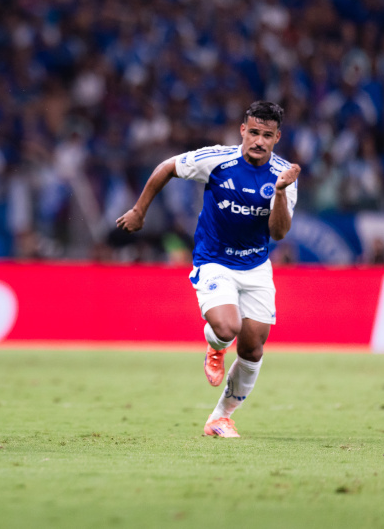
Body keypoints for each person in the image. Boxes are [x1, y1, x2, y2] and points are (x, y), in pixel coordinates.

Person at [116, 101, 301, 438]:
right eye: (254, 132)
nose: (259, 141)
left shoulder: (284, 174)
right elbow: (167, 167)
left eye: (267, 135)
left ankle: (220, 418)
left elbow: (278, 232)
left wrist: (279, 192)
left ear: (277, 138)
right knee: (227, 326)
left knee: (253, 348)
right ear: (243, 130)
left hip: (256, 267)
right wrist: (139, 210)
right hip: (214, 260)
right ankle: (215, 347)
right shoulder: (218, 159)